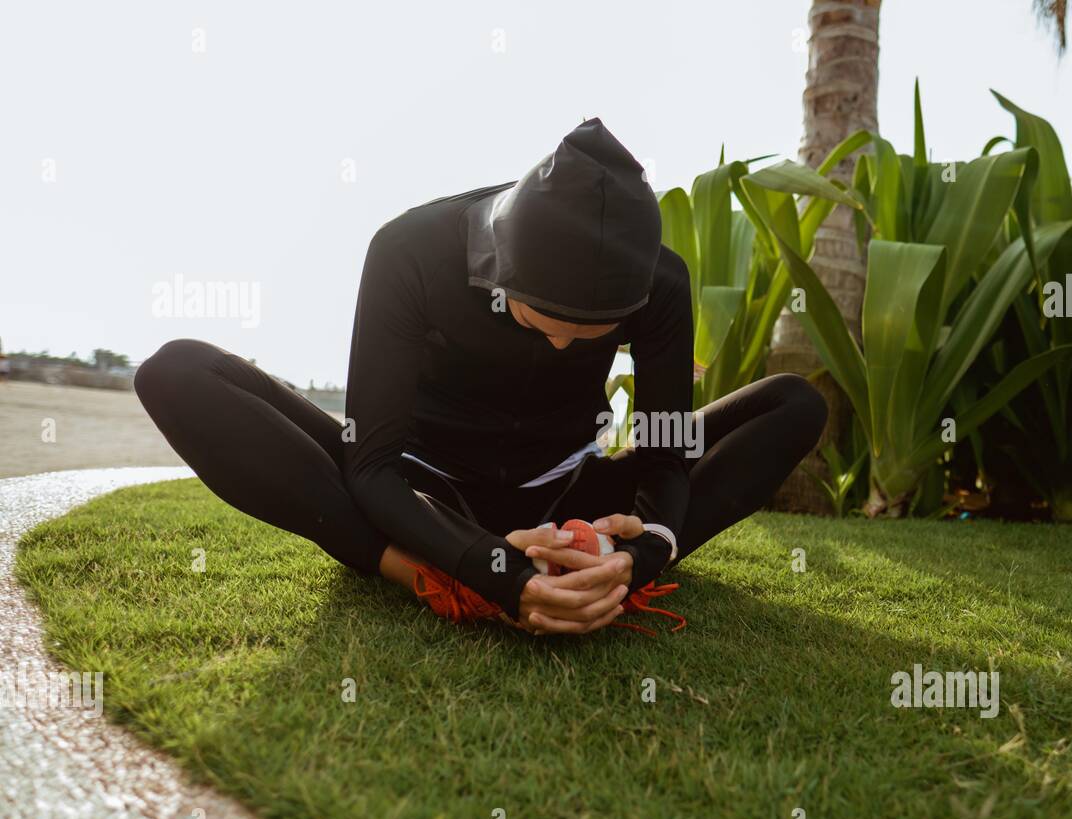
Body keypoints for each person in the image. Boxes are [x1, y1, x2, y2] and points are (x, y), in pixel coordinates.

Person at [135, 119, 826, 636]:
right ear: (497, 268)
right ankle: (431, 576)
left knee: (794, 404)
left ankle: (593, 572)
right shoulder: (409, 251)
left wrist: (637, 554)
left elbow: (666, 453)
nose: (562, 345)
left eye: (589, 338)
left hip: (570, 493)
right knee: (175, 371)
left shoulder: (664, 285)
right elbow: (372, 466)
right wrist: (497, 571)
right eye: (542, 322)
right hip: (421, 491)